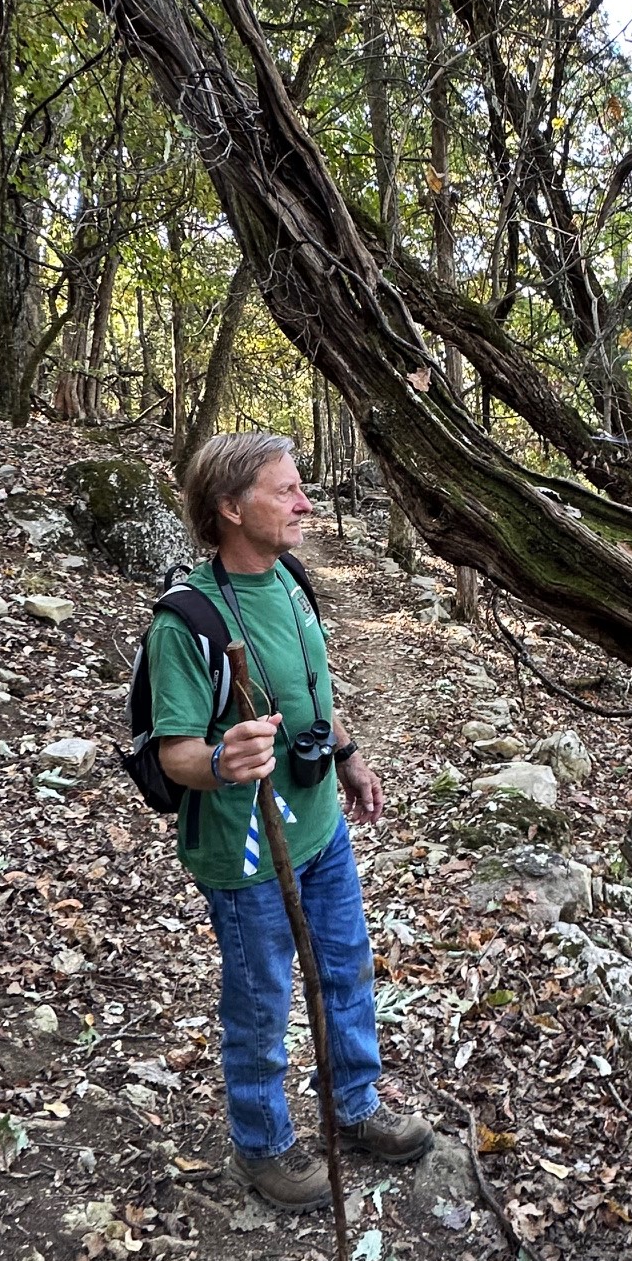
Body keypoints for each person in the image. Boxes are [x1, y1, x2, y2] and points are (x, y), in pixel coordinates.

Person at [150, 430, 431, 1209]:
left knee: (346, 968)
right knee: (263, 995)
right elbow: (173, 751)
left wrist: (349, 757)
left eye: (300, 487)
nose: (305, 502)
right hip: (246, 846)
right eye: (287, 490)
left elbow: (316, 691)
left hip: (318, 827)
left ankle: (355, 1106)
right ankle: (263, 1144)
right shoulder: (188, 622)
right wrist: (219, 761)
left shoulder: (293, 580)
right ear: (231, 508)